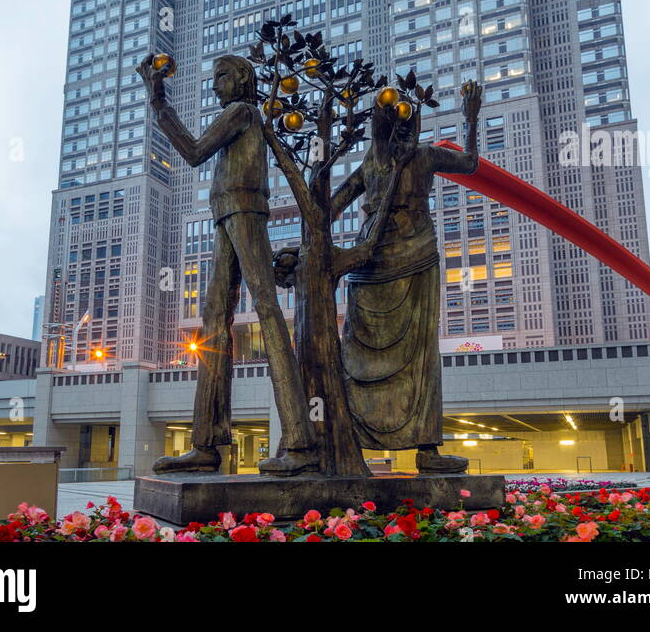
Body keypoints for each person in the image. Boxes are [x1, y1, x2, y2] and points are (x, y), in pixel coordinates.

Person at [137, 52, 318, 475]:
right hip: (225, 215)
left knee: (268, 312)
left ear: (241, 80)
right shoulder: (242, 114)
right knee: (214, 322)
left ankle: (299, 442)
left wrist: (158, 99)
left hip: (243, 210)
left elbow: (195, 151)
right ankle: (208, 444)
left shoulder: (241, 111)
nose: (214, 85)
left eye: (221, 76)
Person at [330, 80, 482, 472]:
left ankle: (427, 449)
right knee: (354, 352)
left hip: (417, 255)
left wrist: (469, 118)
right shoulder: (371, 162)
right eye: (389, 116)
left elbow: (468, 164)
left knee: (422, 356)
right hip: (370, 262)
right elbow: (331, 206)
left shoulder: (426, 156)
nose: (398, 126)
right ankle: (351, 444)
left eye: (404, 117)